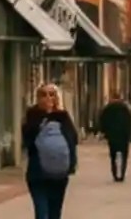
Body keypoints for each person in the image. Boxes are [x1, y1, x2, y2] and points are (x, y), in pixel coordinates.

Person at [22, 82, 78, 219]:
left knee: (55, 213)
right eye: (43, 95)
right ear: (38, 98)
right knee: (42, 213)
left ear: (56, 98)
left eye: (52, 94)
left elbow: (72, 141)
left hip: (59, 174)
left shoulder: (63, 117)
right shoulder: (32, 116)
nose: (48, 98)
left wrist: (71, 165)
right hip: (38, 174)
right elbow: (27, 140)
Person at [98, 94, 131, 181]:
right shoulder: (125, 109)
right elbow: (129, 122)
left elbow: (102, 121)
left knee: (113, 156)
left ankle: (115, 174)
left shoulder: (107, 109)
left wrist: (104, 132)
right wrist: (129, 135)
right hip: (123, 136)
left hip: (112, 136)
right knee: (124, 156)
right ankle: (122, 174)